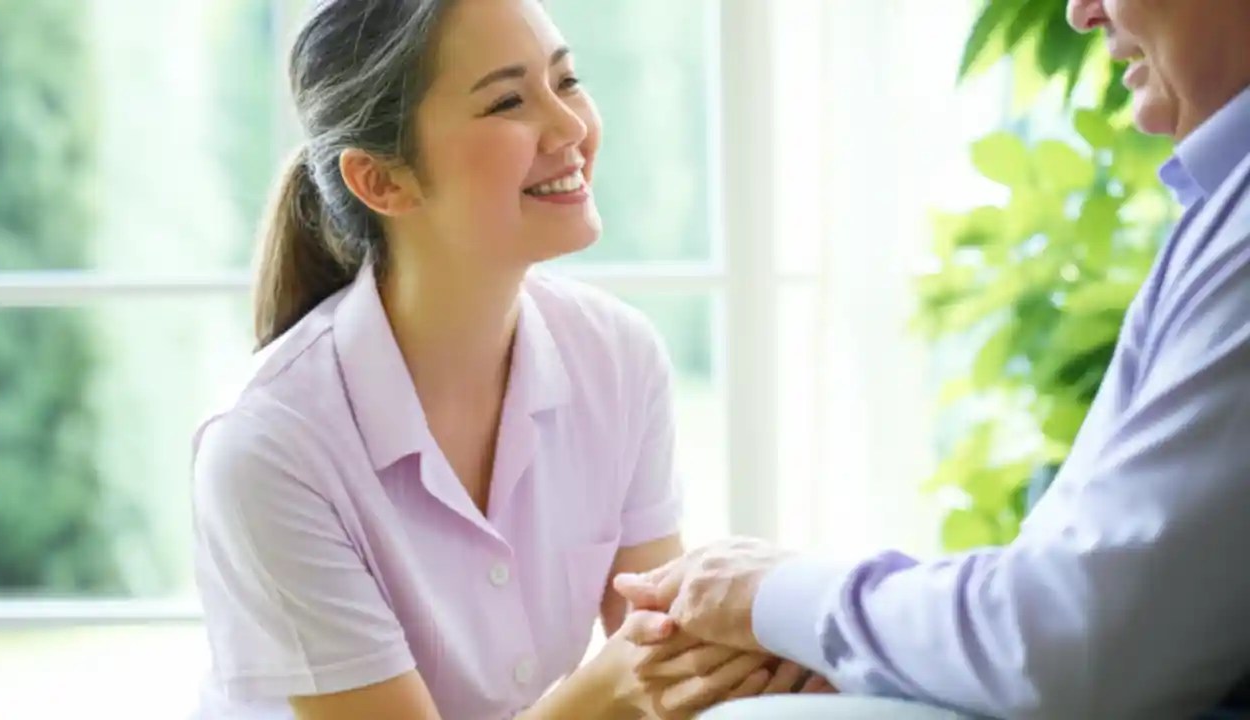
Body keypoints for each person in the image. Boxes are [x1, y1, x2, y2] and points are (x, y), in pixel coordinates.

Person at [189, 0, 827, 718]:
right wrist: (605, 695)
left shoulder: (617, 357)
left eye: (568, 80)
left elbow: (667, 659)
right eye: (507, 101)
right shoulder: (269, 448)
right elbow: (636, 683)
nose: (571, 127)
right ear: (381, 181)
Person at [615, 1, 1250, 718]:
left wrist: (774, 595)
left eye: (571, 81)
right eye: (506, 98)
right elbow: (1073, 608)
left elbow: (1072, 642)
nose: (1081, 11)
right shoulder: (1222, 206)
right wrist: (871, 645)